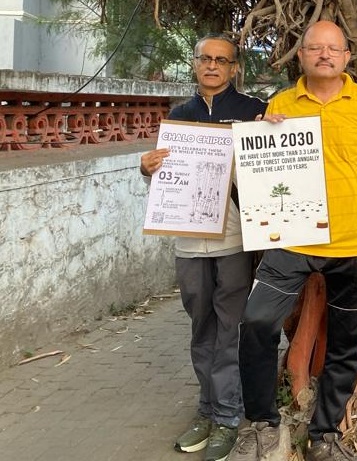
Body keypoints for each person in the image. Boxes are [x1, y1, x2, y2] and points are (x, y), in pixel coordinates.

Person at [228, 21, 357, 461]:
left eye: (334, 48)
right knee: (257, 322)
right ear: (300, 56)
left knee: (347, 342)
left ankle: (323, 435)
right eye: (315, 48)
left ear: (346, 57)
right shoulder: (281, 106)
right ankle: (263, 424)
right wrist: (262, 136)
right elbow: (259, 172)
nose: (324, 55)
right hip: (293, 241)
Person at [141, 34, 266, 461]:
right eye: (205, 59)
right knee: (200, 327)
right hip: (188, 241)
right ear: (194, 64)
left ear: (234, 68)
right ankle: (206, 410)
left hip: (233, 238)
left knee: (228, 328)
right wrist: (148, 168)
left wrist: (277, 130)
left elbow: (269, 169)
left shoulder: (253, 113)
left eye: (222, 60)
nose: (212, 66)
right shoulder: (180, 117)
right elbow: (168, 176)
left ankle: (228, 417)